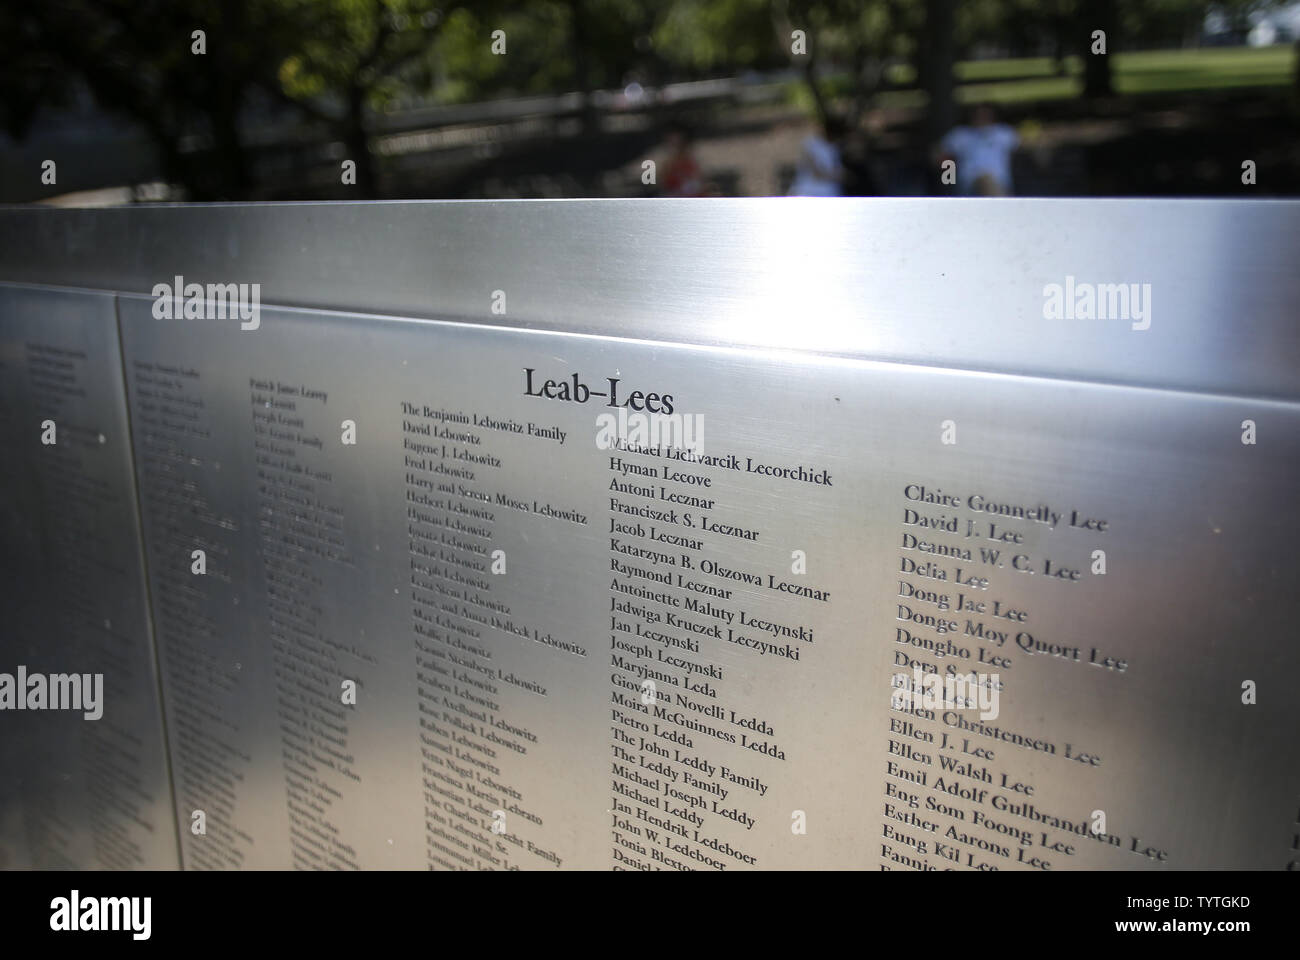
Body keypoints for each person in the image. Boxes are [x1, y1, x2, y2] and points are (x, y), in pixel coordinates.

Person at [938, 104, 1019, 196]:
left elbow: (1021, 150)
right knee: (985, 179)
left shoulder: (1004, 133)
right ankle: (1003, 206)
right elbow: (941, 157)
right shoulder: (960, 135)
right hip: (969, 182)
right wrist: (949, 179)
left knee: (988, 180)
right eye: (979, 115)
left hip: (1000, 181)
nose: (982, 118)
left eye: (986, 115)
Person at [788, 116, 846, 197]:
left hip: (831, 191)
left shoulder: (834, 147)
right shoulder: (810, 145)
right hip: (810, 191)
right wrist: (836, 176)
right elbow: (817, 173)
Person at [661, 123, 705, 198]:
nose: (674, 147)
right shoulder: (665, 162)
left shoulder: (691, 161)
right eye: (671, 143)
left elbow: (697, 185)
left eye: (677, 143)